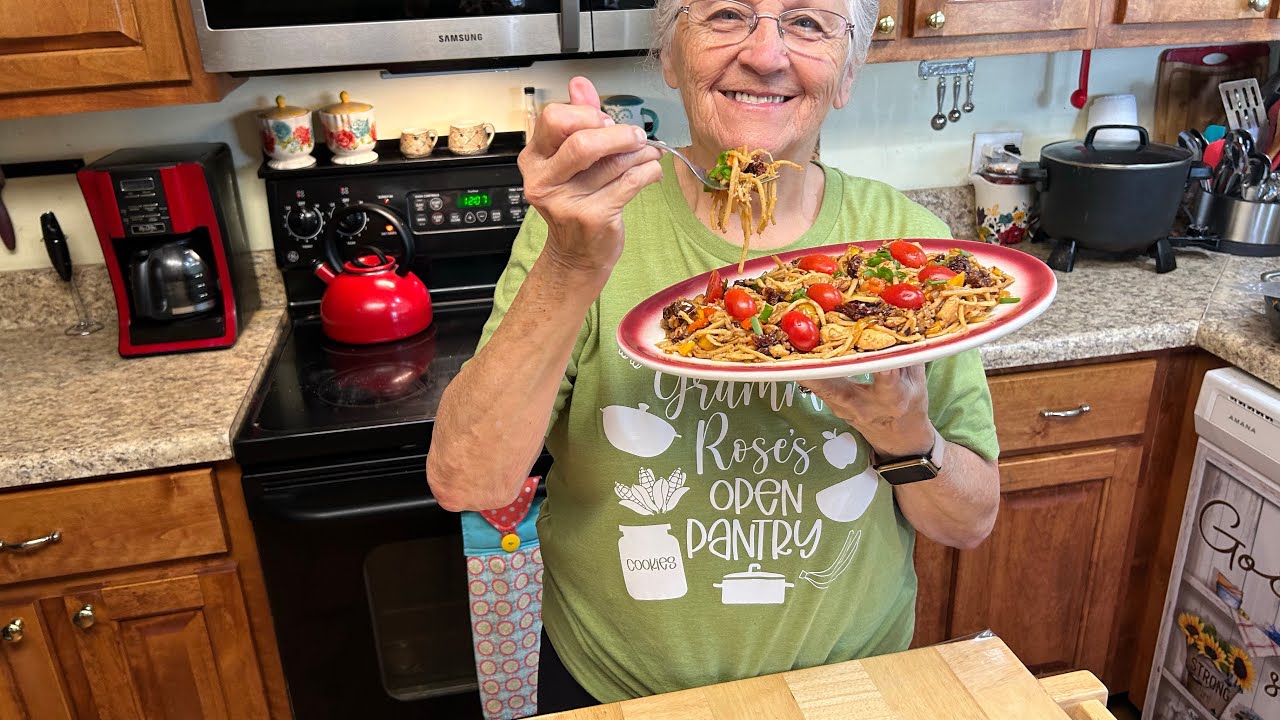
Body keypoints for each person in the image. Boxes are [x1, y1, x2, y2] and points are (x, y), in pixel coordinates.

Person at [426, 0, 1002, 711]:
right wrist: (572, 264)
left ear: (847, 75)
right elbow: (468, 481)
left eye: (808, 23)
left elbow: (969, 523)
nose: (764, 54)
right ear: (670, 56)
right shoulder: (584, 226)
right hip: (615, 692)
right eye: (727, 14)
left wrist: (905, 438)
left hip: (846, 690)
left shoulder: (909, 246)